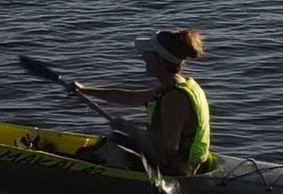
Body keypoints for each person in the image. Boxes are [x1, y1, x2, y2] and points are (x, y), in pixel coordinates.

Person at [72, 29, 215, 176]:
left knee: (103, 150)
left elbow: (169, 147)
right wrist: (85, 91)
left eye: (148, 53)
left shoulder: (174, 98)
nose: (143, 56)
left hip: (176, 170)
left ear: (159, 59)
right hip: (179, 162)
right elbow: (132, 98)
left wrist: (129, 129)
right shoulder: (178, 85)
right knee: (114, 138)